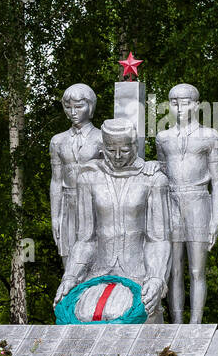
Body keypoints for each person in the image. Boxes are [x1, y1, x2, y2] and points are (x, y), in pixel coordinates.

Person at [55, 119, 171, 319]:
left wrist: (156, 279)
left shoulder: (153, 180)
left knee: (121, 312)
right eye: (110, 150)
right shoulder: (88, 178)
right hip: (98, 274)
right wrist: (70, 277)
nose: (117, 157)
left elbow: (158, 239)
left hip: (138, 274)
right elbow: (85, 239)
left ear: (134, 146)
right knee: (84, 314)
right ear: (102, 148)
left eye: (124, 150)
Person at [155, 84, 218, 324]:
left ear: (196, 105)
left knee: (197, 270)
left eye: (185, 102)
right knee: (173, 271)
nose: (179, 107)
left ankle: (195, 325)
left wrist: (215, 220)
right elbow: (160, 178)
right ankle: (176, 324)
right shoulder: (162, 138)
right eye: (174, 103)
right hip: (172, 202)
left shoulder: (210, 136)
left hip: (198, 202)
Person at [49, 84, 102, 268]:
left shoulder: (102, 138)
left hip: (95, 205)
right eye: (68, 107)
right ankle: (70, 297)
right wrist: (54, 216)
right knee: (69, 261)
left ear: (90, 106)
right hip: (68, 203)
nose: (73, 112)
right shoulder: (58, 141)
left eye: (79, 106)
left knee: (94, 260)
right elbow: (56, 180)